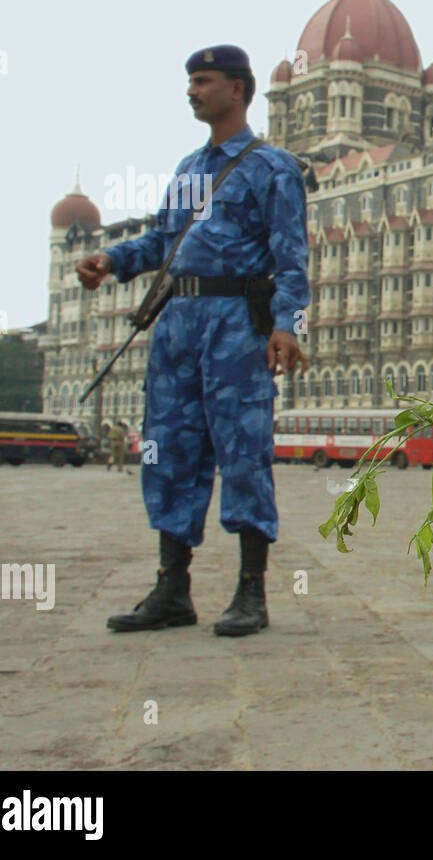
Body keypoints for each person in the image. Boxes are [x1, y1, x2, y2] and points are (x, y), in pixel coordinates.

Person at [76, 44, 310, 637]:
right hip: (178, 323)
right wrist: (112, 260)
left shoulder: (273, 167)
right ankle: (172, 589)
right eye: (190, 81)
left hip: (236, 323)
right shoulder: (188, 170)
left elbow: (292, 257)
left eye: (203, 81)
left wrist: (288, 325)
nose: (191, 91)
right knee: (169, 449)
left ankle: (251, 591)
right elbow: (163, 243)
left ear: (237, 89)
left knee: (244, 452)